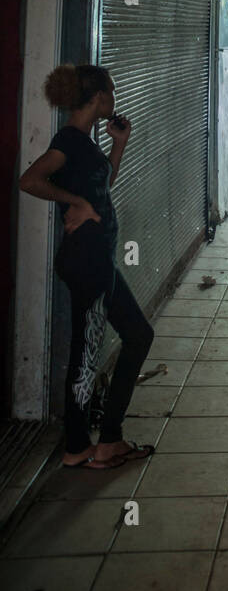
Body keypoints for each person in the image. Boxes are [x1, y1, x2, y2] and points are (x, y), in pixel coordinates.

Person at [18, 65, 155, 470]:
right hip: (88, 263)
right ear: (98, 98)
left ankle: (98, 441)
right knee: (89, 351)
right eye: (110, 91)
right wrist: (74, 203)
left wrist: (118, 145)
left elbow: (100, 187)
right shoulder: (68, 141)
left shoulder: (84, 142)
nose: (113, 98)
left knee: (134, 336)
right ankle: (85, 445)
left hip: (98, 262)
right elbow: (29, 180)